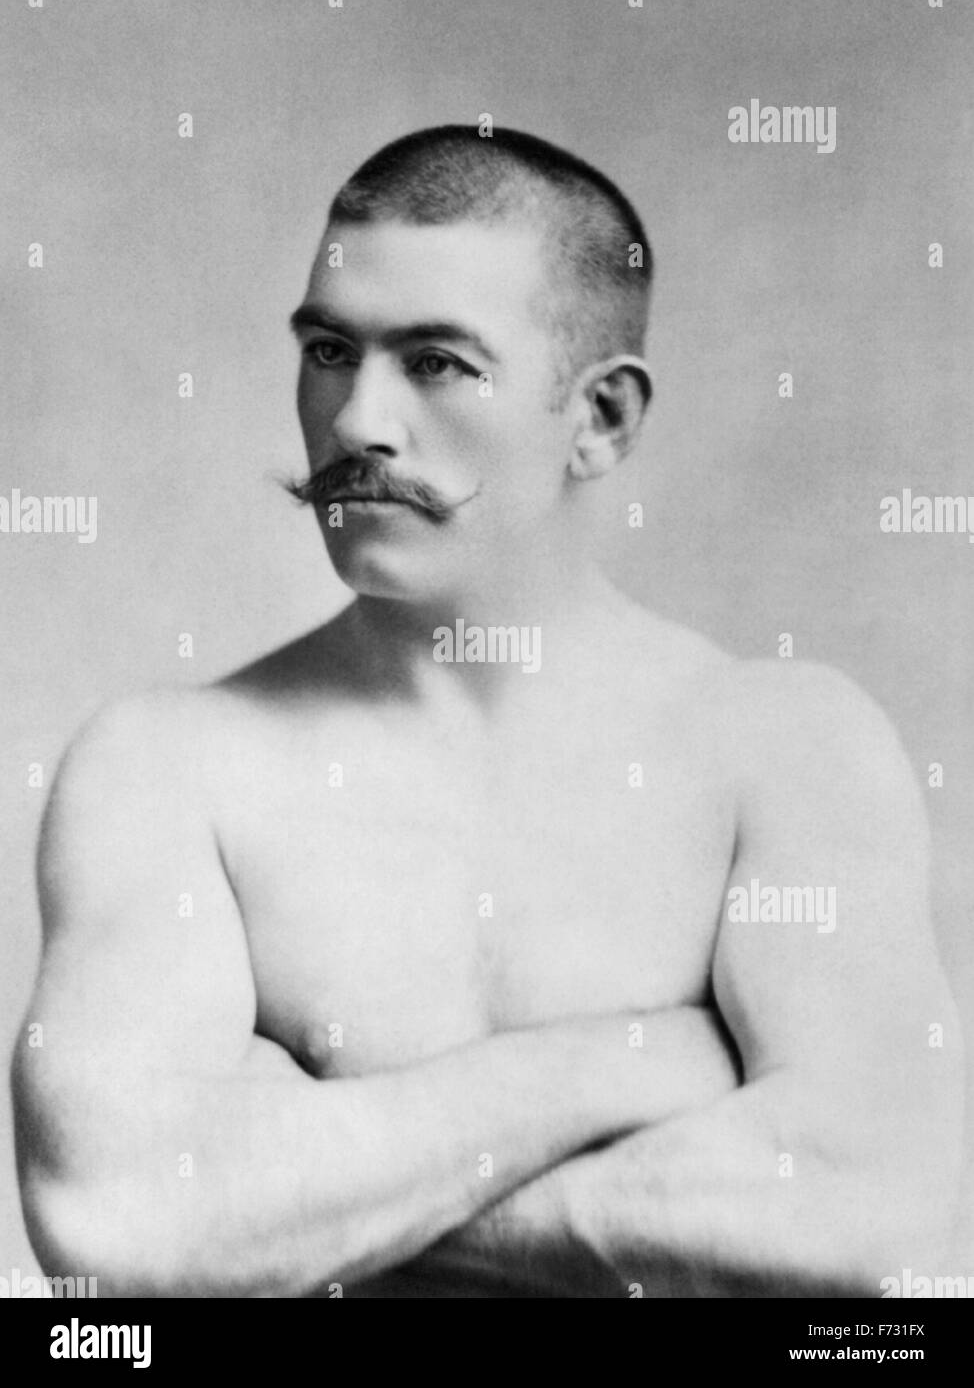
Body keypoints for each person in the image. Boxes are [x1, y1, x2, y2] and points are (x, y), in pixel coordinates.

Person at [14, 126, 963, 1298]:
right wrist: (620, 1067)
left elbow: (874, 1209)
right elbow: (118, 1223)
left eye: (436, 363)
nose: (357, 420)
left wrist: (296, 1187)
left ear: (601, 418)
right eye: (326, 350)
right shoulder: (163, 765)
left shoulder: (785, 745)